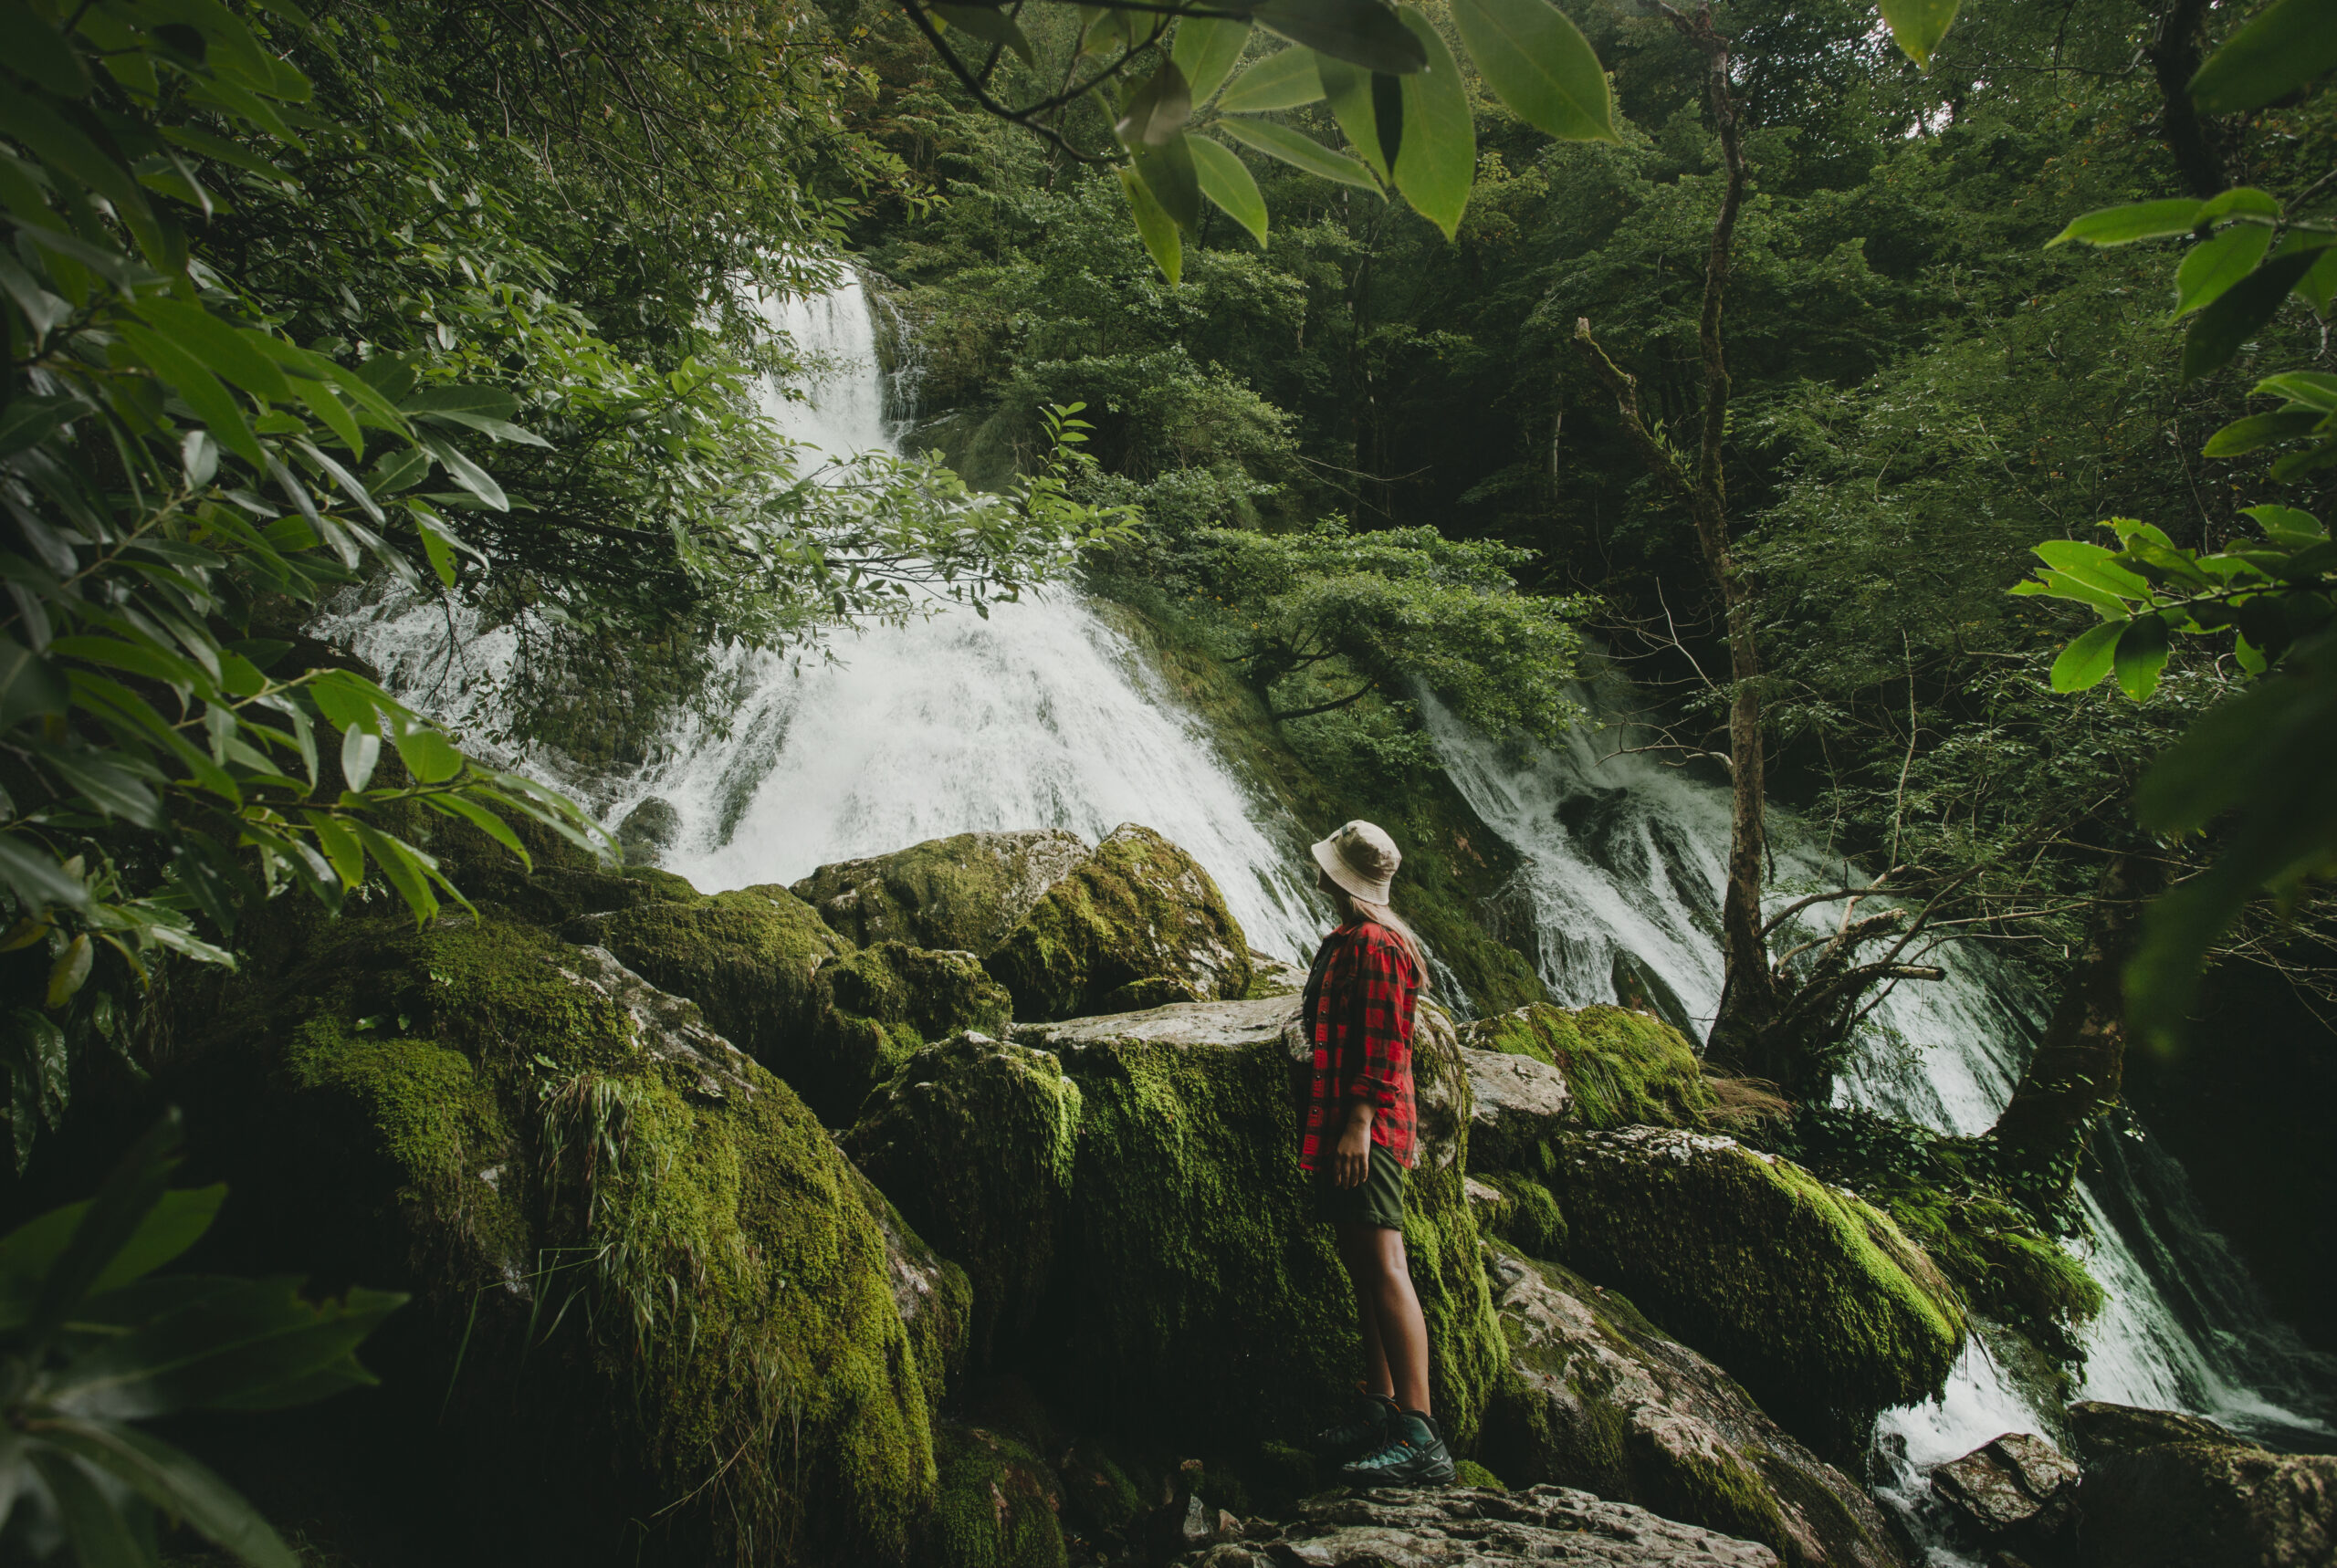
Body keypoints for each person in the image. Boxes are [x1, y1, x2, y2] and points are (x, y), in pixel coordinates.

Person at [1294, 820, 1455, 1487]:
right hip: (1347, 1127)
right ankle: (1379, 1408)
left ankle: (1421, 1435)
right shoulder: (1352, 938)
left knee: (1386, 1265)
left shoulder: (1377, 945)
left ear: (1344, 875)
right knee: (1365, 1265)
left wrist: (1359, 1122)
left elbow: (1389, 1044)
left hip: (1370, 1133)